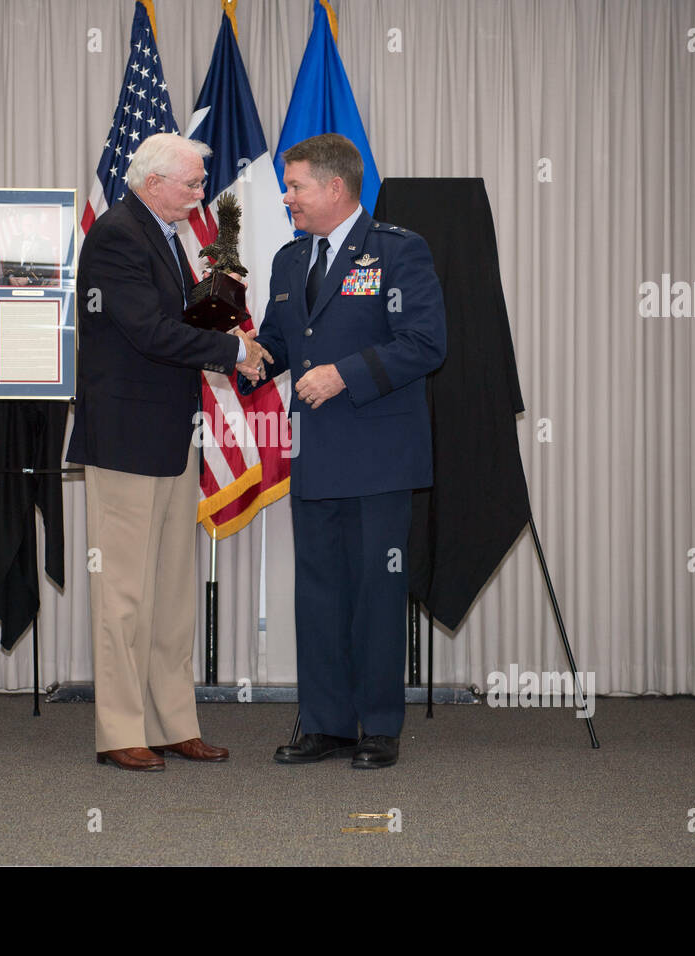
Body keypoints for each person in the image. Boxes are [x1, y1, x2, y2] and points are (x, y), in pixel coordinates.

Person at [240, 133, 446, 769]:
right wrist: (242, 355)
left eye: (296, 184)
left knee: (376, 593)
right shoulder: (287, 260)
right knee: (320, 594)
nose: (287, 196)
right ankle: (326, 723)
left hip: (380, 457)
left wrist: (344, 374)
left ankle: (379, 725)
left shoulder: (398, 252)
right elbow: (277, 342)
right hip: (318, 457)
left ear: (336, 187)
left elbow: (425, 343)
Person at [66, 133, 270, 772]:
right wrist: (235, 351)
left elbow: (174, 320)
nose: (200, 193)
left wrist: (219, 302)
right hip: (126, 441)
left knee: (171, 595)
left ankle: (173, 721)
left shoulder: (161, 232)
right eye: (190, 183)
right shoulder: (118, 235)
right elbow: (149, 333)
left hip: (170, 437)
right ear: (153, 182)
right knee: (124, 595)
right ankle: (121, 730)